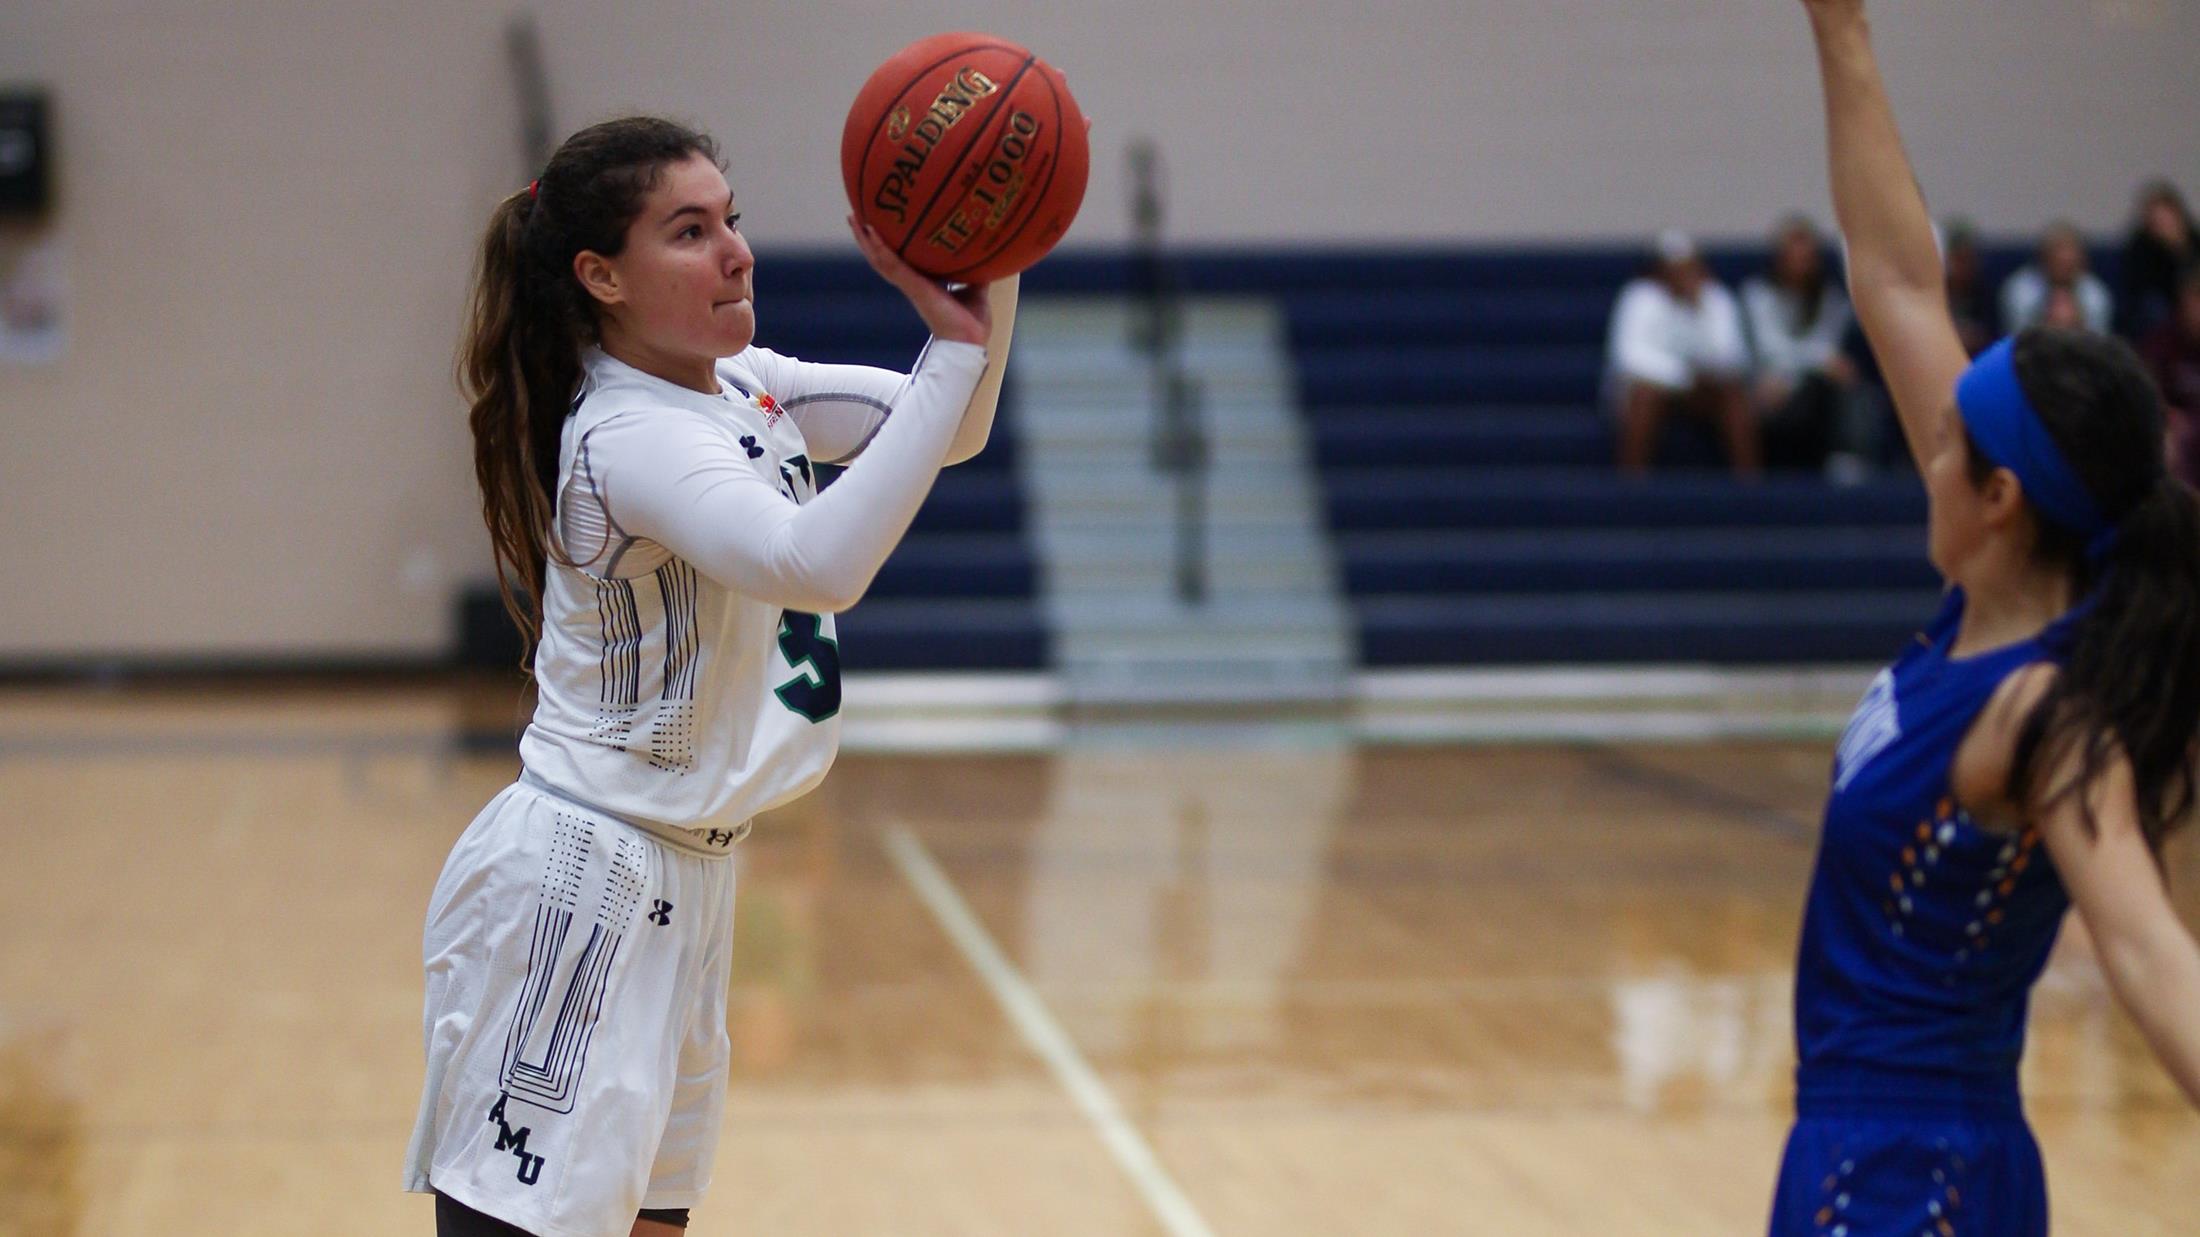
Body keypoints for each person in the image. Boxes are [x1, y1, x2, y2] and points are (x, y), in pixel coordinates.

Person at [402, 116, 1017, 1236]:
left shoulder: (744, 387)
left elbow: (951, 429)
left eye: (730, 219)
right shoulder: (627, 433)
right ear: (603, 277)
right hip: (583, 883)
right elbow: (815, 564)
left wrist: (995, 265)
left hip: (690, 878)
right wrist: (957, 344)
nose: (735, 249)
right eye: (689, 231)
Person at [1784, 4, 2200, 1234]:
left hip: (1910, 1180)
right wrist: (1841, 31)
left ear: (2003, 499)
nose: (1930, 445)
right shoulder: (1989, 598)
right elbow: (1899, 279)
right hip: (1870, 1153)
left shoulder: (2039, 709)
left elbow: (2143, 952)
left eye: (1950, 442)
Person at [1607, 229, 1758, 476]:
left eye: (1687, 268)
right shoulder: (1639, 298)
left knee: (1734, 398)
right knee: (1643, 398)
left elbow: (1733, 356)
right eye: (1673, 269)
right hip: (1656, 390)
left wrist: (1696, 311)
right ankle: (1630, 485)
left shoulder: (1715, 299)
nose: (1681, 276)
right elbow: (1629, 357)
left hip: (1704, 391)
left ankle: (1750, 486)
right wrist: (1682, 376)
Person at [1740, 214, 1882, 477]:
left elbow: (1830, 350)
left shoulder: (1833, 299)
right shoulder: (1757, 295)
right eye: (1793, 257)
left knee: (1856, 390)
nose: (1800, 265)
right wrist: (1816, 362)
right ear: (1779, 259)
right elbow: (1770, 350)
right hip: (1767, 385)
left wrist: (1817, 365)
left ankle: (1849, 462)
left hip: (1814, 387)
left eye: (1807, 257)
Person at [2138, 265, 2200, 487]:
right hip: (2175, 431)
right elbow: (2146, 394)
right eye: (2195, 301)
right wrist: (2170, 418)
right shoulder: (2161, 341)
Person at [2001, 220, 2114, 335]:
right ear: (2044, 259)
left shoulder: (2095, 296)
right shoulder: (2021, 293)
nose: (2064, 270)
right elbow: (2017, 342)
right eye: (2058, 263)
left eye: (2070, 265)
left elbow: (2099, 345)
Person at [2121, 180, 2198, 339]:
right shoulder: (2140, 245)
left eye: (2166, 216)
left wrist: (2178, 249)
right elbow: (2141, 284)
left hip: (2192, 296)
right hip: (2163, 302)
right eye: (2155, 218)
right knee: (2153, 308)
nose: (2162, 222)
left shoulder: (2193, 238)